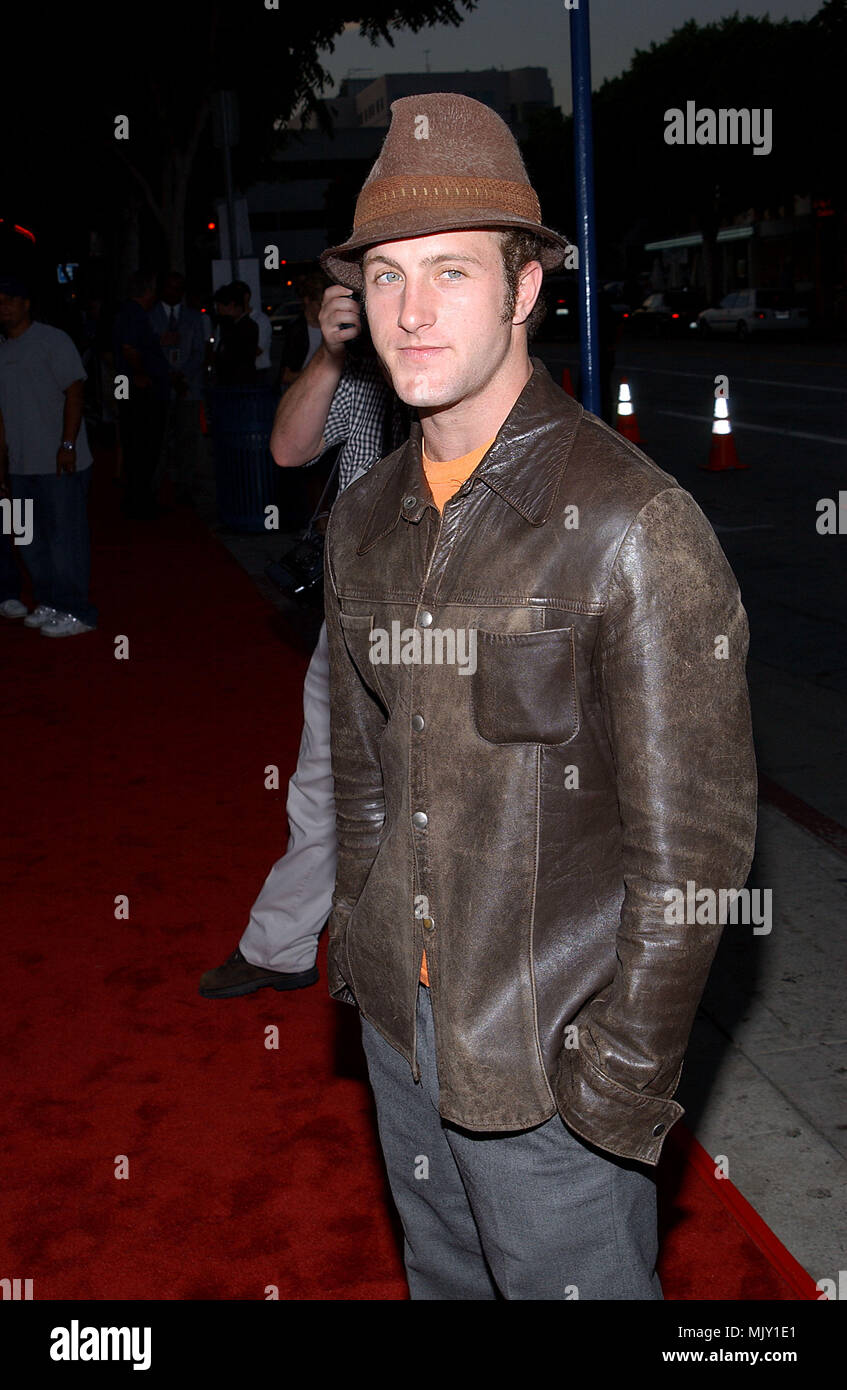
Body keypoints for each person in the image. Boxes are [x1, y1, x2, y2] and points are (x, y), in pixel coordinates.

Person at [319, 92, 759, 1301]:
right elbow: (362, 763)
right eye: (391, 274)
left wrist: (612, 1081)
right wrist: (364, 956)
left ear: (523, 290)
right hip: (403, 1040)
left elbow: (700, 848)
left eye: (452, 272)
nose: (412, 310)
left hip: (549, 1075)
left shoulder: (632, 525)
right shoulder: (363, 519)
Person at [199, 285, 411, 999]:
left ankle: (431, 976)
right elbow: (287, 450)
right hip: (351, 617)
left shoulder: (478, 379)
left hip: (451, 630)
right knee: (319, 789)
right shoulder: (363, 377)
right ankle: (278, 947)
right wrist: (328, 351)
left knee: (442, 800)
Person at [0, 275, 98, 635]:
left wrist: (68, 444)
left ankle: (78, 612)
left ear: (26, 304)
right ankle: (50, 600)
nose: (4, 307)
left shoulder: (52, 340)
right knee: (27, 539)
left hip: (59, 462)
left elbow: (75, 392)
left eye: (10, 299)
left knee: (64, 540)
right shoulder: (2, 350)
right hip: (20, 466)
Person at [113, 271, 171, 519]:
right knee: (143, 444)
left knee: (137, 443)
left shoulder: (129, 313)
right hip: (141, 391)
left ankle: (138, 497)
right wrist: (140, 373)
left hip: (131, 386)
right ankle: (139, 500)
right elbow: (128, 347)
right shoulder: (133, 314)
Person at [149, 271, 207, 504]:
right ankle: (157, 487)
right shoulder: (150, 316)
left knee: (188, 439)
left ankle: (186, 488)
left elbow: (199, 352)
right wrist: (168, 375)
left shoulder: (193, 317)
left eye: (179, 288)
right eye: (171, 288)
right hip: (161, 389)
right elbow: (146, 352)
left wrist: (183, 376)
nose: (175, 292)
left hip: (188, 388)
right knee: (159, 440)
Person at [279, 269, 331, 387]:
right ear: (307, 301)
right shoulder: (297, 330)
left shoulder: (331, 328)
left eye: (326, 305)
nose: (323, 309)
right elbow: (286, 376)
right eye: (319, 304)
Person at [212, 283, 258, 385]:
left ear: (231, 305)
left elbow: (237, 358)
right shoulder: (229, 325)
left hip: (239, 383)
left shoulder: (247, 327)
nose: (218, 309)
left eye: (219, 305)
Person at [230, 280, 273, 384]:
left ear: (246, 297)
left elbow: (258, 350)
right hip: (235, 373)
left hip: (258, 373)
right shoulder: (229, 321)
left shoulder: (260, 319)